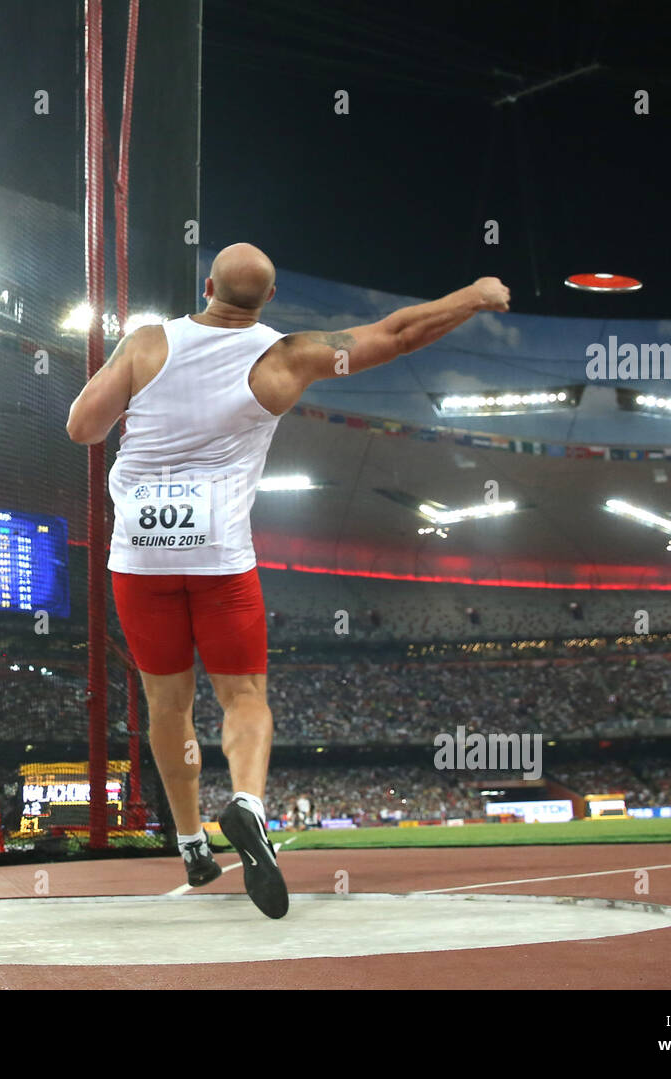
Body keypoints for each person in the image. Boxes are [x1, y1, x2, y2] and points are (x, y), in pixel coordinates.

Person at [67, 241, 509, 917]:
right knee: (243, 695)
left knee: (167, 703)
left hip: (141, 555)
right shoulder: (287, 355)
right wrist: (474, 295)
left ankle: (189, 840)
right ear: (268, 300)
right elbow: (397, 334)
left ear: (208, 284)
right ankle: (246, 801)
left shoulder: (147, 342)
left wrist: (134, 382)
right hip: (218, 556)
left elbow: (82, 427)